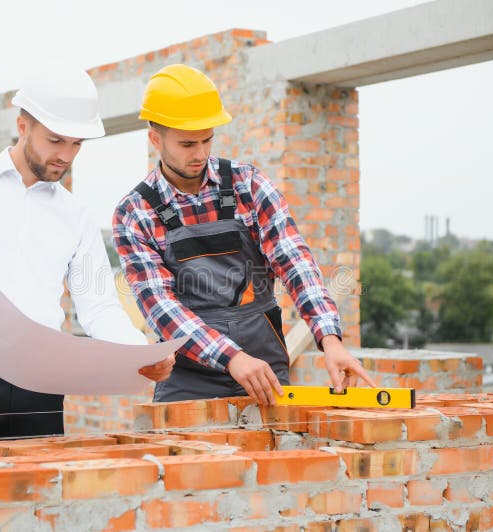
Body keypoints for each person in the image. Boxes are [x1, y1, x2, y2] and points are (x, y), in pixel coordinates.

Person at [0, 70, 174, 442]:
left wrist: (141, 354)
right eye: (55, 140)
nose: (65, 156)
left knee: (40, 482)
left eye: (76, 144)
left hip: (41, 385)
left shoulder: (76, 215)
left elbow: (99, 307)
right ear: (22, 125)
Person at [112, 64, 375, 406]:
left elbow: (294, 261)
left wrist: (330, 340)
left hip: (264, 369)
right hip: (189, 379)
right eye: (187, 143)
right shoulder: (135, 213)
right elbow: (160, 306)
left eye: (207, 139)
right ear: (155, 139)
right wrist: (232, 357)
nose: (200, 154)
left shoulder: (247, 184)